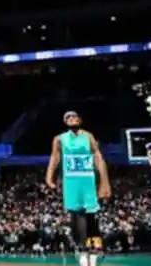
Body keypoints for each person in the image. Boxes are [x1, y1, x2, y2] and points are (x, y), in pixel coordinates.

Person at [46, 111, 112, 266]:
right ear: (65, 122)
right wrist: (49, 176)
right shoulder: (60, 139)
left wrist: (104, 181)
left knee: (90, 212)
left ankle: (90, 246)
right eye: (68, 118)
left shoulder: (88, 137)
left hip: (87, 179)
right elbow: (54, 158)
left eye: (74, 117)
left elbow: (98, 158)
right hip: (71, 180)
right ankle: (81, 246)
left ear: (80, 120)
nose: (71, 119)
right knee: (75, 215)